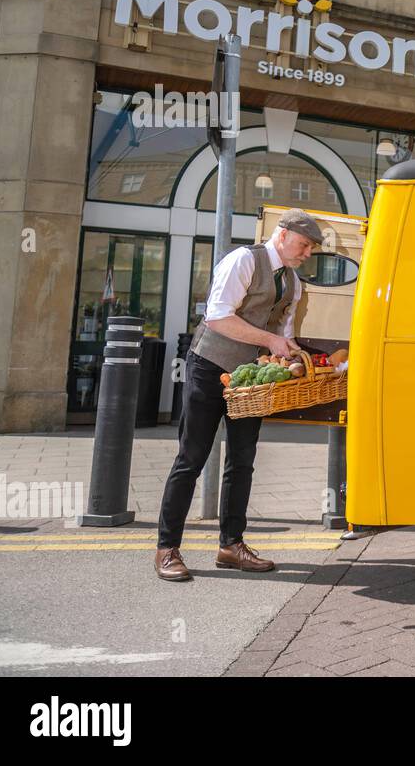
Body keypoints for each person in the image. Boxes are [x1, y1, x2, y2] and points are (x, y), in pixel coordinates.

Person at [155, 208, 324, 581]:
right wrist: (270, 340)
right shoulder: (244, 260)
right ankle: (167, 549)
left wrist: (295, 355)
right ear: (282, 235)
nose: (307, 252)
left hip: (249, 381)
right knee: (191, 458)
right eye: (304, 244)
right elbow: (218, 316)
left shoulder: (292, 282)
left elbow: (283, 332)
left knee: (242, 461)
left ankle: (231, 546)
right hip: (209, 366)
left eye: (311, 247)